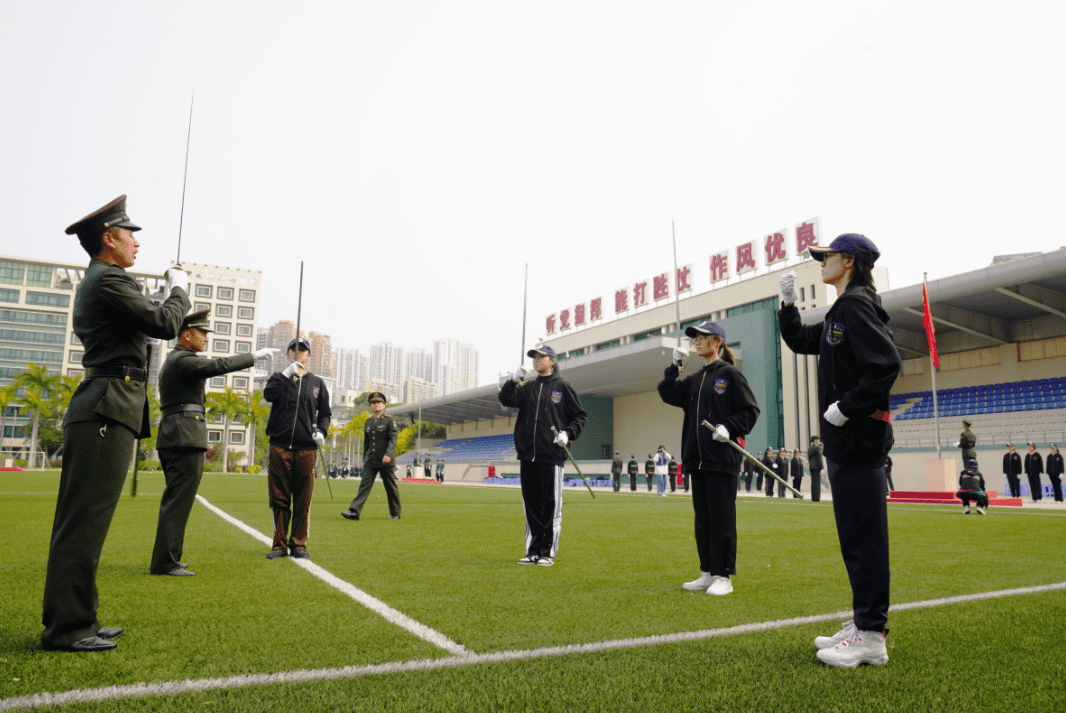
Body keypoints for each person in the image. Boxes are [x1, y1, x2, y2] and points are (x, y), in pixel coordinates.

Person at [42, 196, 190, 652]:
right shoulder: (108, 280)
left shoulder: (104, 281)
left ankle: (79, 615)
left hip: (108, 405)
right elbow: (166, 323)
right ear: (109, 239)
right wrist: (180, 287)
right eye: (131, 234)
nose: (137, 243)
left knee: (85, 520)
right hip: (107, 408)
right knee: (84, 521)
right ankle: (68, 627)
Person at [779, 233, 900, 667]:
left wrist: (847, 408)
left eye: (826, 257)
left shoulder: (855, 306)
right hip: (848, 441)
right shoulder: (843, 308)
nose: (820, 263)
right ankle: (864, 621)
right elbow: (800, 341)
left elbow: (887, 364)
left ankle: (871, 634)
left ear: (848, 261)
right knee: (855, 536)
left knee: (864, 538)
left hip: (857, 438)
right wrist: (789, 305)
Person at [151, 309, 277, 577]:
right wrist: (253, 356)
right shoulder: (182, 360)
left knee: (178, 500)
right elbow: (217, 366)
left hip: (181, 434)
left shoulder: (179, 359)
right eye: (202, 333)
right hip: (183, 437)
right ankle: (165, 562)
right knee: (177, 501)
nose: (206, 339)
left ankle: (170, 557)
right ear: (187, 334)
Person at [658, 320, 760, 596]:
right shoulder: (694, 380)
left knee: (722, 518)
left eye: (703, 337)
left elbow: (750, 410)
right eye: (695, 338)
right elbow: (667, 392)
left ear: (717, 342)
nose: (697, 341)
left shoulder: (729, 374)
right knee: (703, 519)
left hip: (721, 459)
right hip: (697, 459)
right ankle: (707, 571)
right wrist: (675, 367)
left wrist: (730, 426)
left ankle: (723, 575)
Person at [498, 345, 588, 567]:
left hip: (551, 456)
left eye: (541, 357)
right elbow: (506, 399)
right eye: (534, 358)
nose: (536, 361)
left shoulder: (562, 387)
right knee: (531, 506)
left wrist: (568, 434)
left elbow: (580, 416)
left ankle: (548, 552)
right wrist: (512, 381)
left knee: (551, 506)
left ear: (552, 361)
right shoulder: (527, 388)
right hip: (528, 455)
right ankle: (533, 551)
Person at [263, 337, 332, 559]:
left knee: (303, 497)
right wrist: (286, 375)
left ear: (309, 356)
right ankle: (279, 544)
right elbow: (268, 395)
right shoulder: (278, 378)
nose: (298, 354)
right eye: (294, 351)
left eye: (302, 351)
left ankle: (299, 544)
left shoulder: (317, 383)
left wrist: (322, 432)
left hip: (306, 448)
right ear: (288, 355)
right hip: (280, 445)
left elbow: (325, 414)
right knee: (279, 497)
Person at [343, 392, 401, 520]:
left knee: (390, 487)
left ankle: (395, 513)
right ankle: (354, 512)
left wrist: (388, 455)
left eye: (378, 403)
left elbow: (393, 440)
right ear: (370, 406)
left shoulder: (389, 420)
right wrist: (365, 458)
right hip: (371, 460)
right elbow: (367, 442)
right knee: (364, 485)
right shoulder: (368, 422)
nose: (375, 405)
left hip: (386, 460)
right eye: (373, 403)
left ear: (384, 405)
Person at [808, 435, 824, 502]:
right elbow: (819, 459)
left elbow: (809, 458)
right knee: (817, 482)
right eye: (817, 440)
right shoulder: (817, 448)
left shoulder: (810, 448)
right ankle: (817, 498)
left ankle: (813, 497)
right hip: (817, 467)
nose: (818, 441)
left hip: (812, 467)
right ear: (815, 440)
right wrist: (822, 467)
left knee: (813, 482)